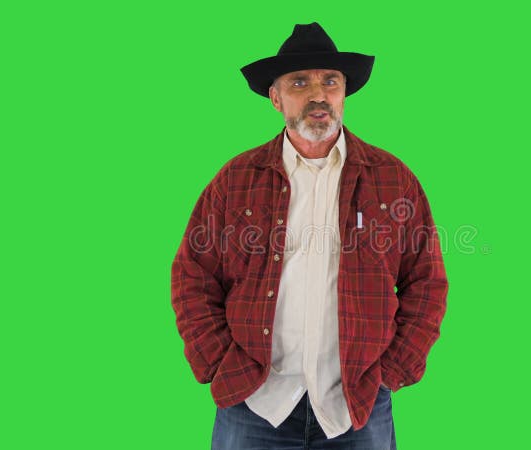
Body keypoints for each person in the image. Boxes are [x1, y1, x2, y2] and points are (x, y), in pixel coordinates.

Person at [171, 22, 448, 449]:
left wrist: (392, 372)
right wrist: (216, 361)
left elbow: (426, 282)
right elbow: (193, 275)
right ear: (275, 97)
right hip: (254, 403)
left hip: (356, 406)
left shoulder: (392, 179)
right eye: (300, 82)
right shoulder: (236, 179)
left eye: (330, 82)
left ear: (343, 94)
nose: (318, 94)